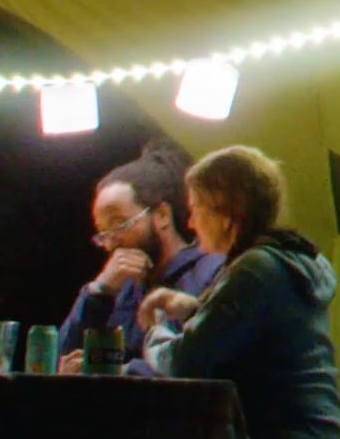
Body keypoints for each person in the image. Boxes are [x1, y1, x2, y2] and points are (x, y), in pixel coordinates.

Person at [138, 146, 340, 439]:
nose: (190, 223)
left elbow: (185, 362)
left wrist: (154, 331)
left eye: (196, 208)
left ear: (227, 213)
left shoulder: (254, 269)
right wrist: (195, 310)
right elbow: (261, 332)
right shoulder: (291, 260)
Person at [59, 140, 221, 371]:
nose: (110, 243)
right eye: (103, 233)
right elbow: (63, 356)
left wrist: (116, 371)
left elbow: (193, 361)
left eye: (119, 224)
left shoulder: (212, 272)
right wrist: (98, 294)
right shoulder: (123, 288)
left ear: (162, 215)